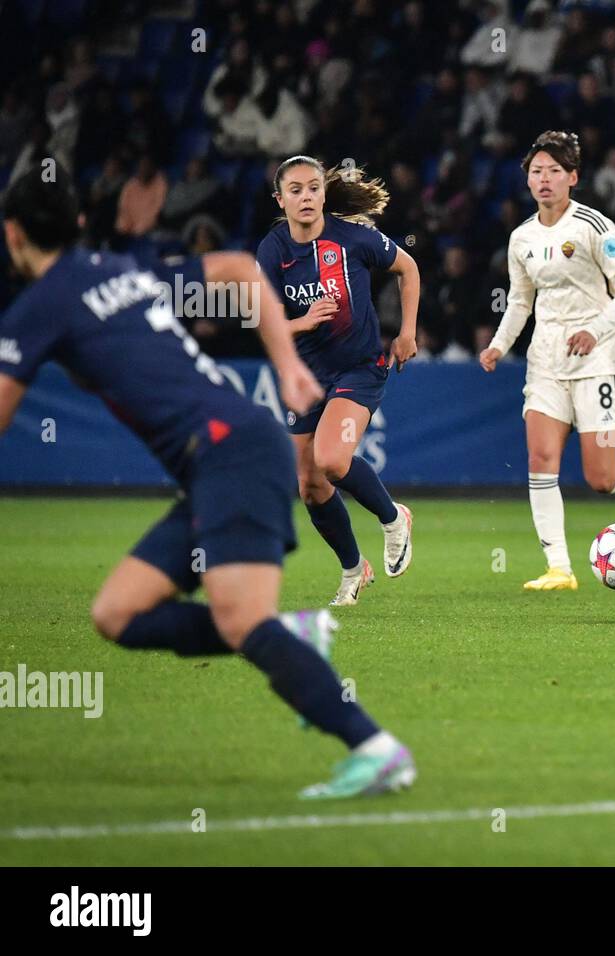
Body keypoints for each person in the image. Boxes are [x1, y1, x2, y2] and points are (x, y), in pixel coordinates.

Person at [0, 166, 414, 798]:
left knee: (245, 620)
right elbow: (237, 272)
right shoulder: (121, 271)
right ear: (81, 223)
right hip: (222, 461)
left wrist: (286, 364)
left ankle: (376, 748)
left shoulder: (38, 308)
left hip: (233, 456)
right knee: (116, 614)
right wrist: (286, 364)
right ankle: (293, 634)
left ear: (12, 234)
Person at [479, 131, 615, 591]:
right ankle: (560, 568)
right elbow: (519, 301)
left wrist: (594, 331)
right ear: (528, 180)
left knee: (601, 477)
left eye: (555, 171)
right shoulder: (522, 238)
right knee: (541, 456)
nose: (545, 179)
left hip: (600, 358)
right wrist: (499, 344)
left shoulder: (594, 226)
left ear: (573, 178)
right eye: (537, 171)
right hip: (546, 360)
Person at [257, 156, 419, 606]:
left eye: (313, 188)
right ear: (281, 199)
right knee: (309, 485)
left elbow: (409, 268)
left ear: (324, 194)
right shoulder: (272, 251)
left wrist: (406, 333)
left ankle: (393, 519)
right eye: (295, 190)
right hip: (307, 376)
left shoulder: (354, 238)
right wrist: (303, 323)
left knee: (331, 458)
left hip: (359, 368)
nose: (305, 197)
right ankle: (353, 569)